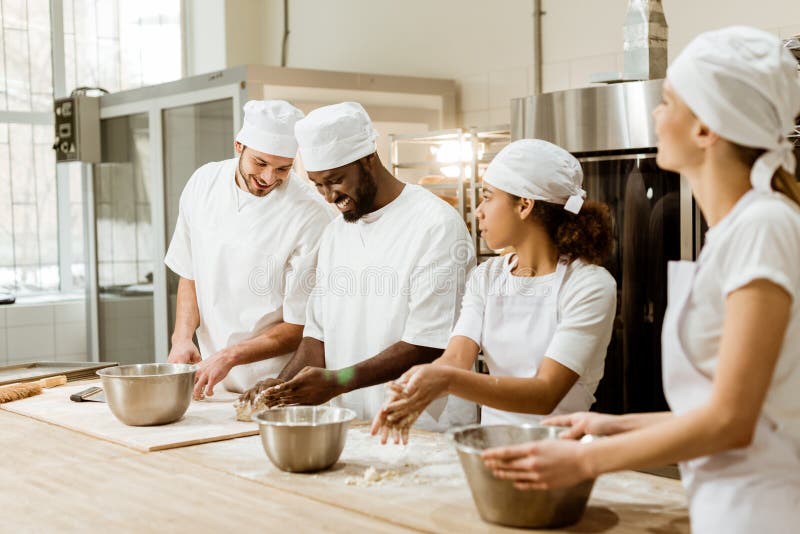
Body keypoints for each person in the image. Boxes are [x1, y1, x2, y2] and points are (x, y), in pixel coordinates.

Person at [480, 26, 800, 533]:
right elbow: (729, 410)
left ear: (706, 130)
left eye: (669, 101)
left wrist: (586, 461)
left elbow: (733, 422)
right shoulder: (733, 232)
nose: (655, 112)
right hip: (724, 507)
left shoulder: (764, 227)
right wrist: (611, 426)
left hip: (763, 512)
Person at [240, 102, 477, 430]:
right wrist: (280, 387)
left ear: (368, 161)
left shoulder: (435, 226)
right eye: (317, 184)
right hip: (353, 425)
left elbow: (426, 345)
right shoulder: (337, 232)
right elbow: (317, 336)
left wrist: (340, 380)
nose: (327, 196)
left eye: (335, 180)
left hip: (422, 425)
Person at [370, 139, 616, 444]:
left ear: (524, 205)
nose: (478, 212)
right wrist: (415, 387)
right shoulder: (487, 277)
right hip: (493, 447)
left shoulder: (588, 285)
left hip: (564, 454)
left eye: (487, 197)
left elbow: (545, 394)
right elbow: (456, 358)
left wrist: (445, 381)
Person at [165, 100, 332, 398]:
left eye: (284, 168)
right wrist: (181, 338)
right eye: (261, 163)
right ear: (239, 146)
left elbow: (299, 327)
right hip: (210, 376)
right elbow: (190, 273)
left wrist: (230, 356)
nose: (269, 179)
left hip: (274, 382)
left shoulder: (310, 214)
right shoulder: (203, 184)